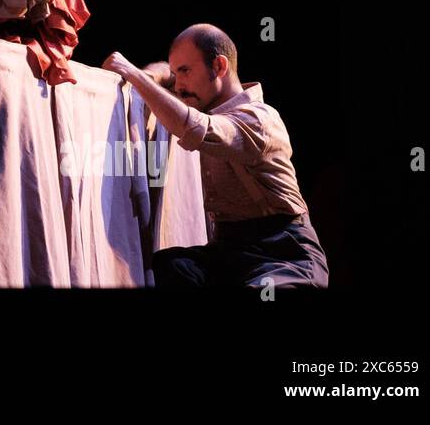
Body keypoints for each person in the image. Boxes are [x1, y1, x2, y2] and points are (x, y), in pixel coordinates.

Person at [101, 23, 329, 290]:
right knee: (169, 267)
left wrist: (132, 74)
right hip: (230, 251)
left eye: (185, 71)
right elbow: (165, 70)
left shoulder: (258, 119)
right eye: (177, 73)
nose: (179, 83)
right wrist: (151, 75)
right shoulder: (205, 100)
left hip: (282, 253)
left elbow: (193, 127)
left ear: (219, 67)